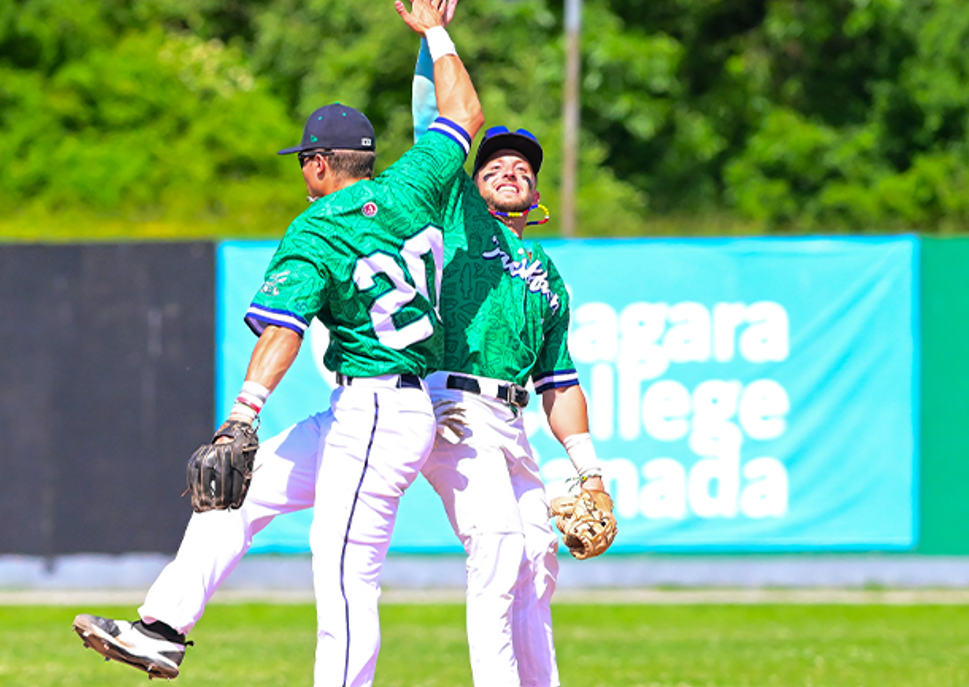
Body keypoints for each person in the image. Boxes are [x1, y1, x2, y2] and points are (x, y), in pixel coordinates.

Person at [71, 2, 484, 685]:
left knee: (344, 569)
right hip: (377, 409)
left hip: (380, 410)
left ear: (321, 163)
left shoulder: (317, 227)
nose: (303, 172)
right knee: (239, 492)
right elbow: (463, 113)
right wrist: (434, 32)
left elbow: (282, 329)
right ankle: (160, 629)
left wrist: (244, 412)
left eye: (305, 161)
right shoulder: (414, 186)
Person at [410, 16, 609, 687]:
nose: (505, 170)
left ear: (534, 190)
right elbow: (434, 116)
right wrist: (432, 34)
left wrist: (589, 470)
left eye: (519, 166)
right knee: (497, 554)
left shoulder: (548, 274)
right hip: (454, 404)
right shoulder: (456, 215)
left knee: (535, 559)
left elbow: (559, 379)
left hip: (511, 420)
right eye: (492, 164)